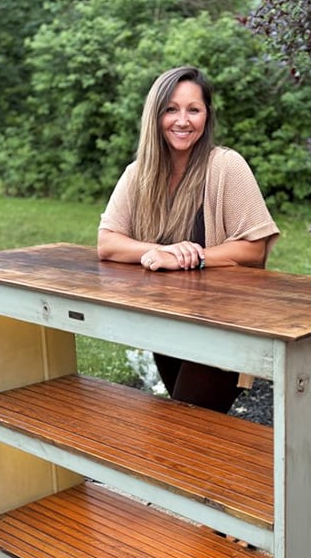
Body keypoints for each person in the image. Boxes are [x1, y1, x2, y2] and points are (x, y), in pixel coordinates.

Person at [98, 65, 280, 413]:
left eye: (193, 109)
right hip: (168, 321)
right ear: (156, 115)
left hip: (222, 323)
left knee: (186, 420)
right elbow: (108, 242)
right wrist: (160, 250)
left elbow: (255, 248)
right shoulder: (140, 174)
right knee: (190, 422)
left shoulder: (226, 166)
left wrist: (193, 257)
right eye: (171, 109)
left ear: (206, 115)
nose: (182, 120)